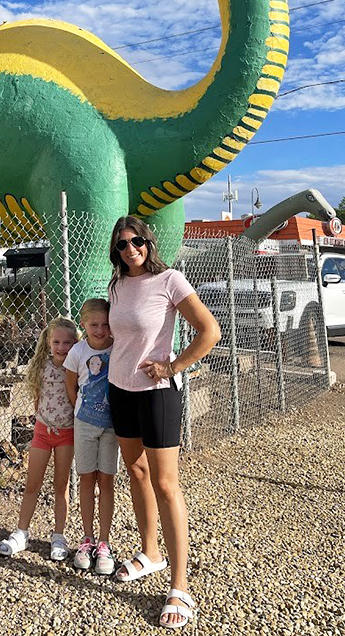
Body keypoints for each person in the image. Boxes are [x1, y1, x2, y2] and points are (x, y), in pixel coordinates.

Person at [107, 216, 220, 630]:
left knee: (166, 484)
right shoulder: (117, 285)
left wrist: (173, 366)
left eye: (136, 240)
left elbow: (209, 331)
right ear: (115, 251)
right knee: (136, 473)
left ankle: (179, 586)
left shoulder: (170, 280)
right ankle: (150, 553)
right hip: (120, 390)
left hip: (157, 393)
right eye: (122, 244)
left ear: (148, 242)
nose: (130, 249)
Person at [0, 316, 78, 561]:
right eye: (56, 342)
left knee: (61, 485)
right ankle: (22, 532)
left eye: (67, 342)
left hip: (67, 434)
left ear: (75, 343)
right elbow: (37, 398)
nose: (61, 347)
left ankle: (59, 535)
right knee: (33, 483)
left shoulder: (76, 368)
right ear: (48, 342)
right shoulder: (42, 366)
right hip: (43, 433)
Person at [63, 298, 118, 576]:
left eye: (105, 324)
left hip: (111, 426)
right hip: (85, 424)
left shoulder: (117, 347)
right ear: (83, 324)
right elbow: (71, 385)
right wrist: (80, 411)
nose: (100, 330)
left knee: (106, 480)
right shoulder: (77, 351)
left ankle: (104, 541)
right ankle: (87, 538)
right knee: (87, 478)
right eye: (93, 324)